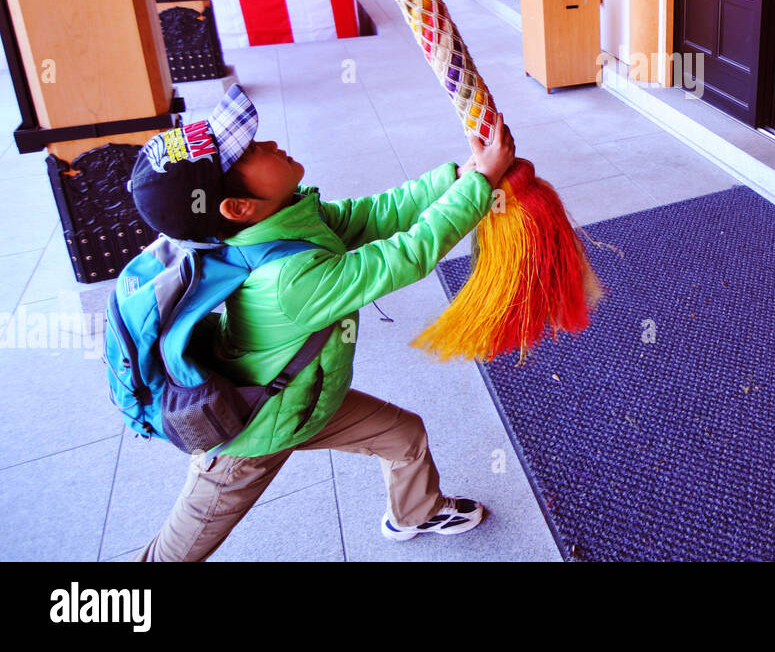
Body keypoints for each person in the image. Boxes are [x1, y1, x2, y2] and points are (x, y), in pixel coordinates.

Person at [127, 83, 515, 562]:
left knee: (404, 436)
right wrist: (477, 190)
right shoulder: (286, 279)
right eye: (250, 151)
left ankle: (415, 512)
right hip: (253, 436)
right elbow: (405, 255)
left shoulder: (283, 221)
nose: (268, 144)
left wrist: (460, 176)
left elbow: (373, 216)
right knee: (174, 555)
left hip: (308, 402)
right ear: (238, 207)